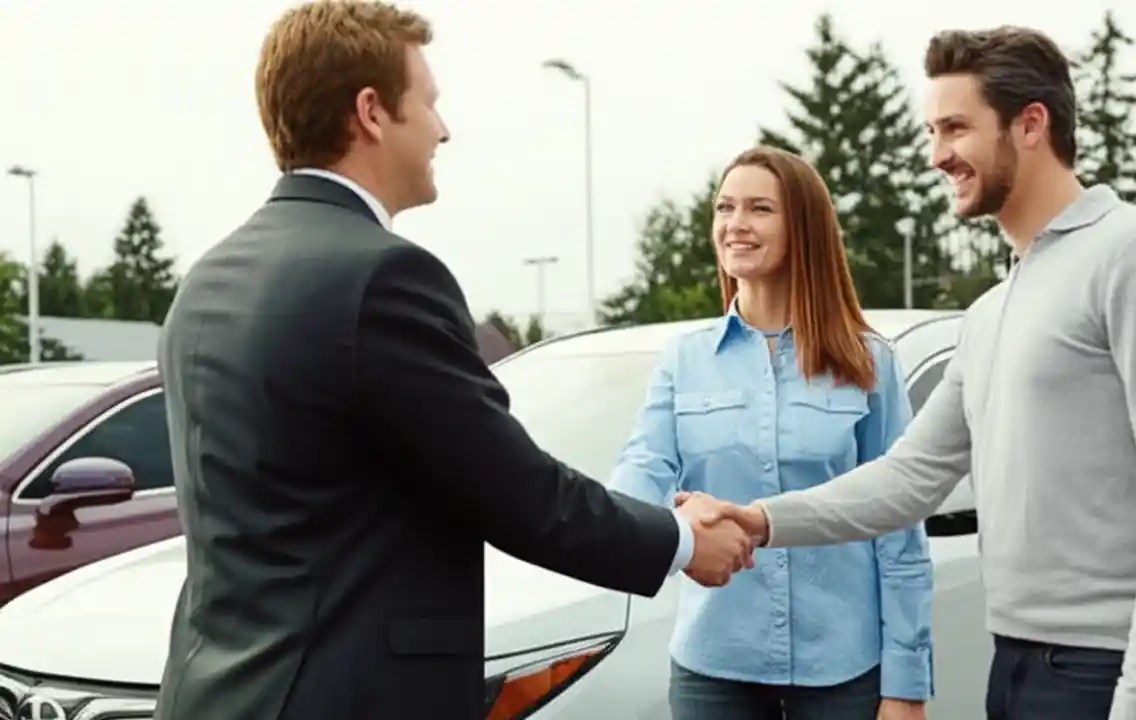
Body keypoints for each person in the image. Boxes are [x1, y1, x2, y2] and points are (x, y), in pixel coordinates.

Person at [152, 3, 753, 719]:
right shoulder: (382, 277)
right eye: (429, 103)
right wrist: (683, 541)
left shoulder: (207, 280)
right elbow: (520, 493)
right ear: (371, 112)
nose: (443, 128)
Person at [689, 26, 1136, 720]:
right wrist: (762, 519)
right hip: (1017, 669)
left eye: (955, 128)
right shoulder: (991, 311)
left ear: (1031, 124)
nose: (936, 155)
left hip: (1116, 677)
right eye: (931, 130)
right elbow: (910, 476)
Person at [610, 146, 933, 720]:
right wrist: (658, 527)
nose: (736, 224)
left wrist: (906, 684)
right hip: (715, 668)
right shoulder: (684, 360)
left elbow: (898, 528)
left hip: (844, 669)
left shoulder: (869, 364)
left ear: (803, 228)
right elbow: (642, 473)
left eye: (759, 209)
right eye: (724, 207)